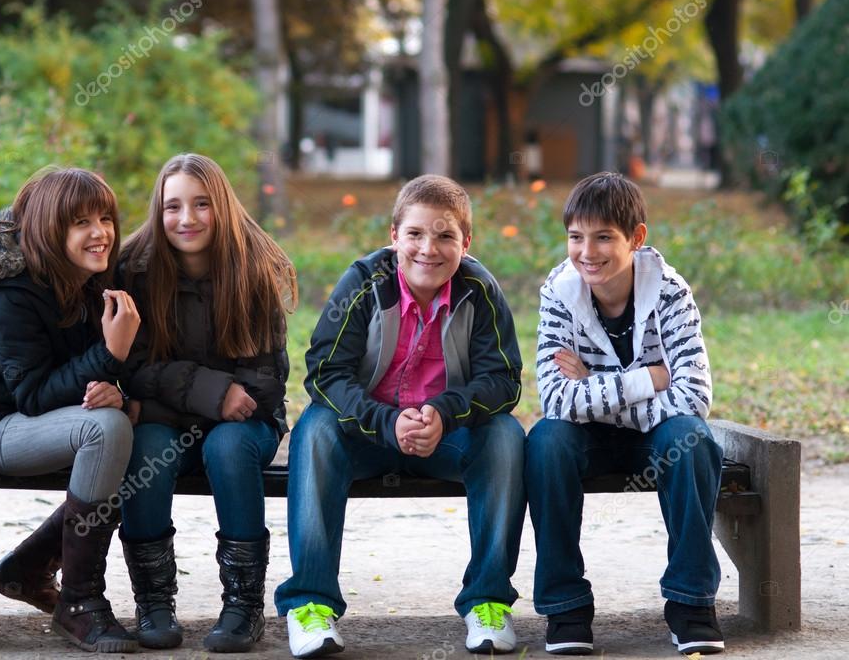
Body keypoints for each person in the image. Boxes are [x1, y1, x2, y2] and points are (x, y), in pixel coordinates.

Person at [275, 174, 527, 657]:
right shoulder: (364, 281)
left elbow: (504, 379)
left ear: (466, 242)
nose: (428, 249)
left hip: (445, 437)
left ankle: (488, 601)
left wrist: (443, 414)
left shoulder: (479, 290)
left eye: (445, 235)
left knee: (505, 436)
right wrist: (386, 422)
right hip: (368, 433)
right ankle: (310, 604)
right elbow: (326, 372)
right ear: (394, 237)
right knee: (315, 430)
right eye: (414, 234)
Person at [0, 167, 142, 653]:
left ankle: (27, 568)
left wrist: (118, 389)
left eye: (105, 218)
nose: (101, 233)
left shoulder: (93, 276)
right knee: (106, 431)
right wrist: (109, 357)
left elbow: (109, 368)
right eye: (81, 223)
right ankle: (80, 601)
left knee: (134, 428)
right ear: (51, 231)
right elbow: (33, 395)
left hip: (42, 420)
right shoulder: (9, 292)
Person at [527, 172, 723, 655]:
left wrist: (592, 392)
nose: (586, 252)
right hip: (584, 437)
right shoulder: (559, 293)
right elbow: (555, 400)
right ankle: (565, 606)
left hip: (655, 436)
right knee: (546, 441)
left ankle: (691, 601)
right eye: (575, 237)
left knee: (692, 438)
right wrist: (648, 380)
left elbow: (694, 395)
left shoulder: (672, 294)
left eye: (603, 238)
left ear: (636, 238)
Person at [116, 153, 296, 653]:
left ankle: (243, 607)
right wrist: (212, 394)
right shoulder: (135, 271)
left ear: (221, 206)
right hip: (166, 424)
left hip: (248, 423)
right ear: (158, 211)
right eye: (173, 206)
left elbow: (262, 388)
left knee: (228, 447)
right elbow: (131, 368)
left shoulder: (254, 269)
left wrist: (193, 402)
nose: (187, 218)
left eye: (200, 204)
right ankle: (154, 602)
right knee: (147, 447)